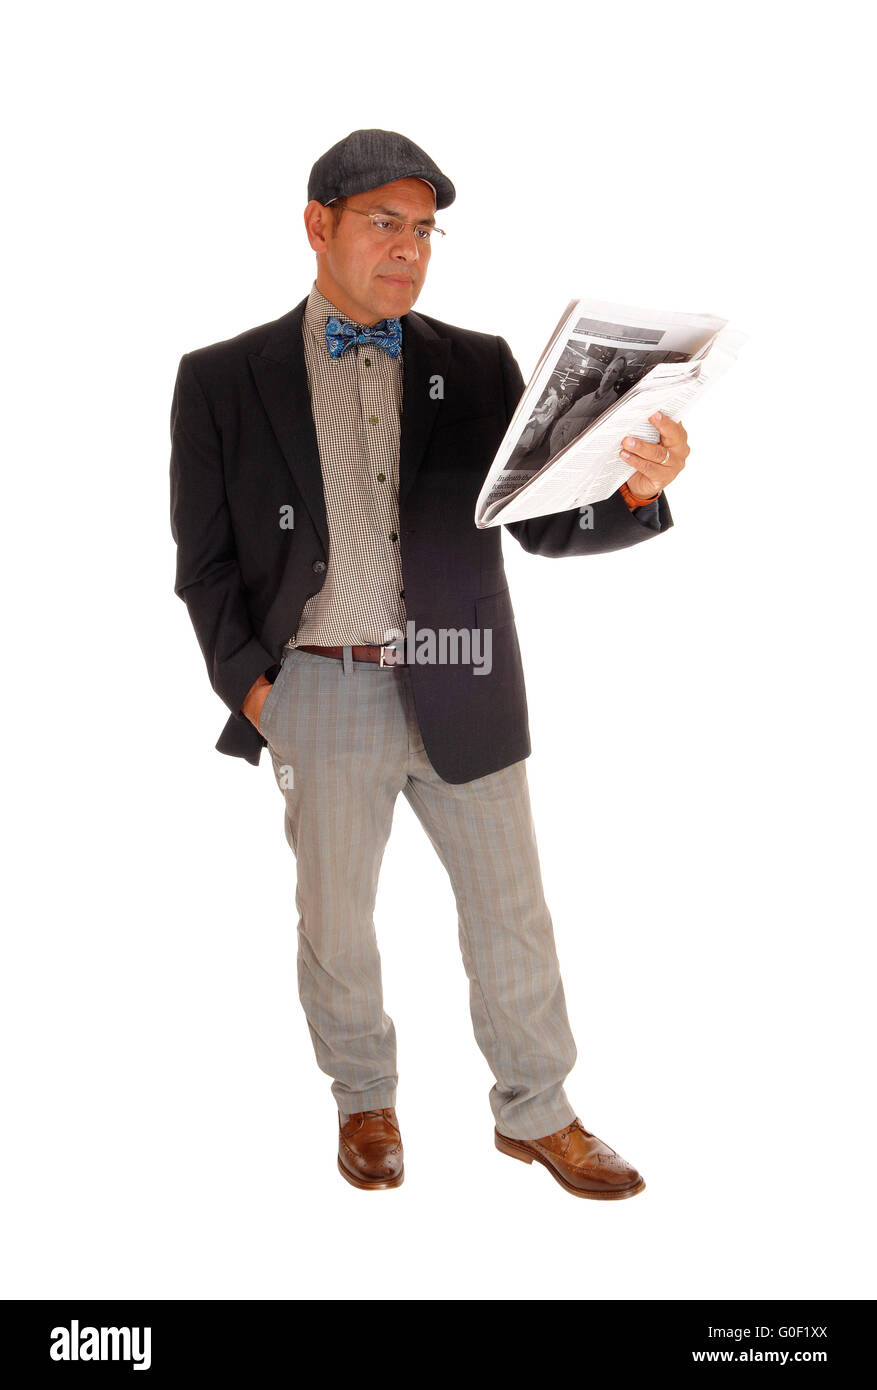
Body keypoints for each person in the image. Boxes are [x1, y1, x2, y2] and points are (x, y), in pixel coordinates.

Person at [169, 128, 690, 1199]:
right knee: (335, 919)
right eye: (382, 225)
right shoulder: (220, 379)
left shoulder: (479, 364)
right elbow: (205, 562)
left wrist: (635, 489)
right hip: (315, 686)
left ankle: (538, 1114)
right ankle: (364, 1096)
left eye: (423, 231)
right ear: (318, 227)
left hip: (466, 676)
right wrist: (259, 691)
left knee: (511, 908)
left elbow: (544, 523)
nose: (407, 250)